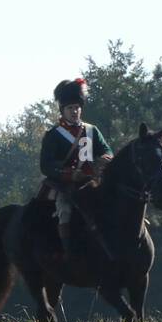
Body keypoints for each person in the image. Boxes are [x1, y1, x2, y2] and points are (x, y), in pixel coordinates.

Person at [39, 78, 113, 258]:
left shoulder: (91, 130)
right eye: (70, 108)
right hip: (65, 185)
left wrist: (104, 159)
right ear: (63, 110)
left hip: (90, 181)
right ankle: (68, 252)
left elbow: (107, 150)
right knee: (64, 210)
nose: (74, 111)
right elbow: (46, 165)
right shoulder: (54, 135)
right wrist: (70, 175)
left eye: (77, 107)